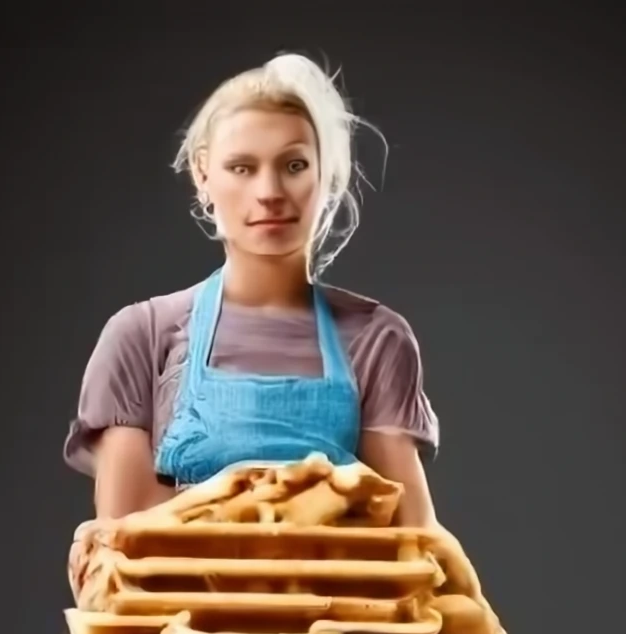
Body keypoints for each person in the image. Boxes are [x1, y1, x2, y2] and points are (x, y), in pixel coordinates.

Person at [63, 53, 440, 527]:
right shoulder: (143, 336)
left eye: (295, 164)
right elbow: (123, 538)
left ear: (326, 176)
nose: (269, 192)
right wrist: (301, 505)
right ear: (203, 175)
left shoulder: (376, 338)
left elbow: (411, 536)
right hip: (181, 604)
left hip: (337, 603)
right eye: (242, 167)